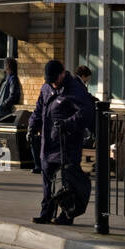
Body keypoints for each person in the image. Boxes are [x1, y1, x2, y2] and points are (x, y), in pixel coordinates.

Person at [27, 60, 95, 226]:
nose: (53, 84)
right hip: (48, 142)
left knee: (67, 181)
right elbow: (38, 110)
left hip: (67, 144)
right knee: (48, 181)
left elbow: (86, 112)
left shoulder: (75, 89)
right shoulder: (47, 88)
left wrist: (67, 124)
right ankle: (46, 213)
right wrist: (31, 127)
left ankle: (66, 215)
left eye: (55, 79)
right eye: (50, 80)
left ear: (63, 73)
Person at [0, 57, 21, 123]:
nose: (4, 65)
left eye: (5, 64)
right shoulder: (5, 78)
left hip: (5, 113)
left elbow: (13, 96)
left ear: (9, 66)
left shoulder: (12, 79)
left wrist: (3, 105)